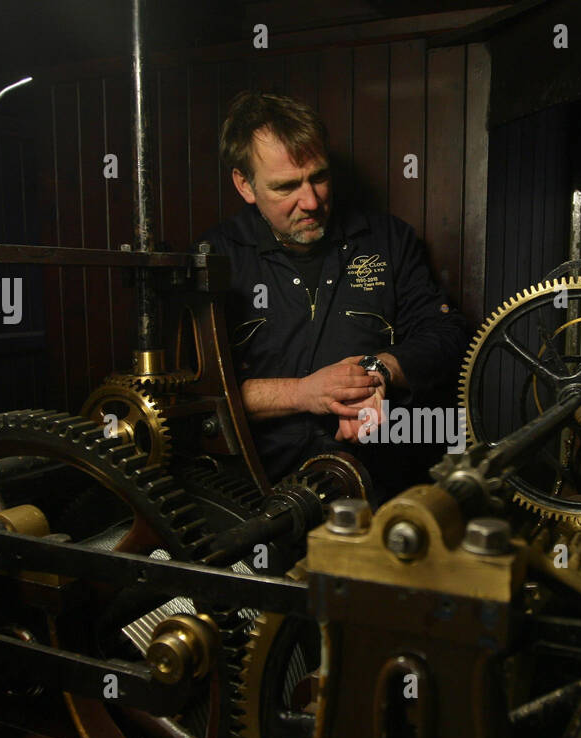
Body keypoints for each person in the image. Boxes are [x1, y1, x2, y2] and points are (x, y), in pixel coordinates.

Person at [199, 91, 469, 501]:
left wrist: (379, 370)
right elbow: (193, 394)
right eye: (286, 186)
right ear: (245, 185)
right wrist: (305, 393)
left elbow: (449, 336)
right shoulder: (213, 259)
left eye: (319, 177)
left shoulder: (389, 240)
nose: (310, 202)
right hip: (255, 497)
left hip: (378, 492)